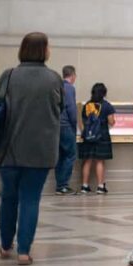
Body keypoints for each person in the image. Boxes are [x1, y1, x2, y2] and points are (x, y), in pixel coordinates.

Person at [0, 32, 62, 265]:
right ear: (43, 50)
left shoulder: (9, 75)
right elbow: (60, 109)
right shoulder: (53, 79)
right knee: (31, 200)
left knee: (8, 199)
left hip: (9, 149)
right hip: (40, 151)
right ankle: (23, 251)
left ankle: (4, 245)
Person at [77, 83, 116, 194]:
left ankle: (84, 186)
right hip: (101, 135)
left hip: (88, 136)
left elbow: (83, 121)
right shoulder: (106, 105)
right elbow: (111, 122)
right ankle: (100, 186)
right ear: (104, 93)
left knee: (87, 160)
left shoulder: (87, 105)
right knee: (99, 161)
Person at [54, 65, 77, 195]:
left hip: (56, 126)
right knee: (70, 154)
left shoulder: (57, 87)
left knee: (60, 155)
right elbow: (71, 109)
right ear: (72, 75)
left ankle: (59, 185)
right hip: (66, 126)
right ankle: (63, 185)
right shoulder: (69, 88)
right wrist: (74, 126)